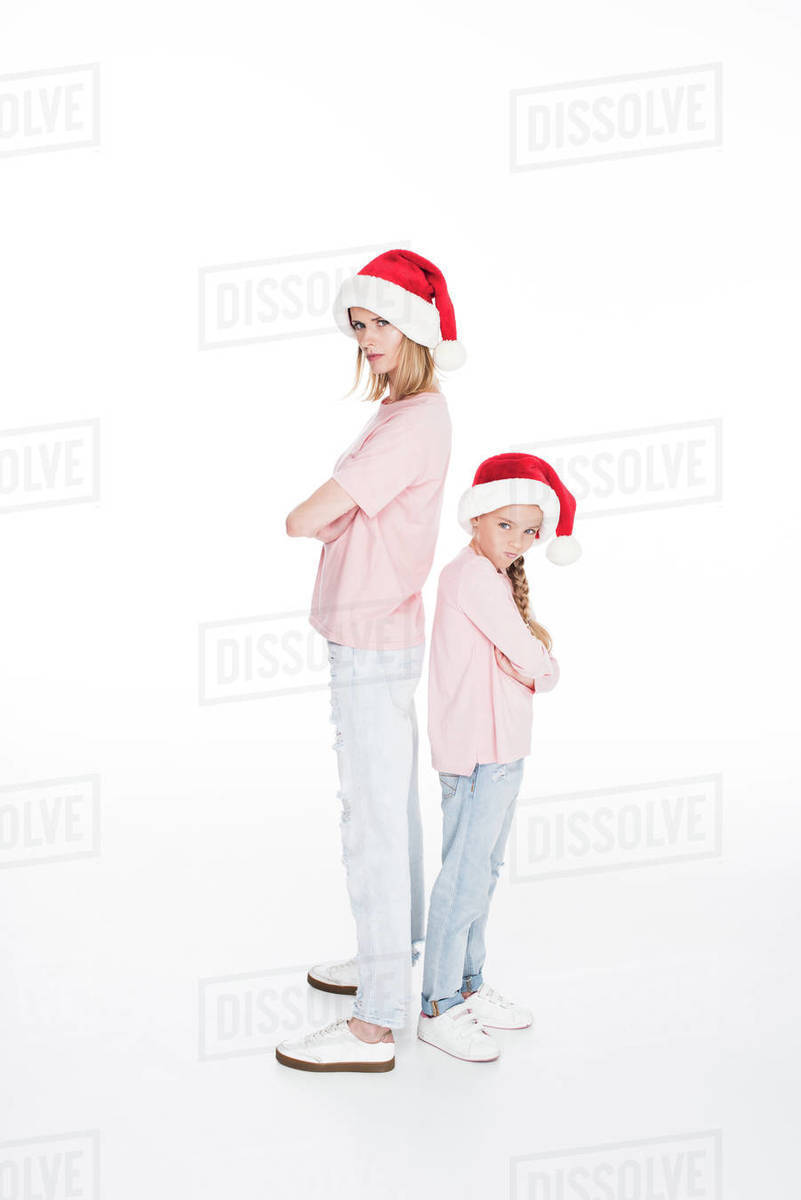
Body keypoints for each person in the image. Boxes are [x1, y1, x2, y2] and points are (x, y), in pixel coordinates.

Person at [277, 249, 465, 1073]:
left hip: (371, 639)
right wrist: (334, 515)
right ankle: (389, 962)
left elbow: (307, 518)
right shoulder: (402, 412)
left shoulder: (413, 421)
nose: (366, 338)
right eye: (357, 325)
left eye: (381, 321)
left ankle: (376, 1021)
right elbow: (334, 514)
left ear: (415, 325)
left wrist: (323, 514)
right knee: (386, 809)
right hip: (374, 632)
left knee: (374, 821)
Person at [418, 452, 581, 1062]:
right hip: (476, 753)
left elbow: (520, 658)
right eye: (506, 524)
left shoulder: (491, 577)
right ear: (476, 518)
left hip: (503, 749)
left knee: (482, 872)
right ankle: (438, 1004)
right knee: (463, 877)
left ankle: (468, 983)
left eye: (529, 530)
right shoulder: (471, 578)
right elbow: (529, 656)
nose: (517, 540)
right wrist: (545, 669)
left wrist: (530, 666)